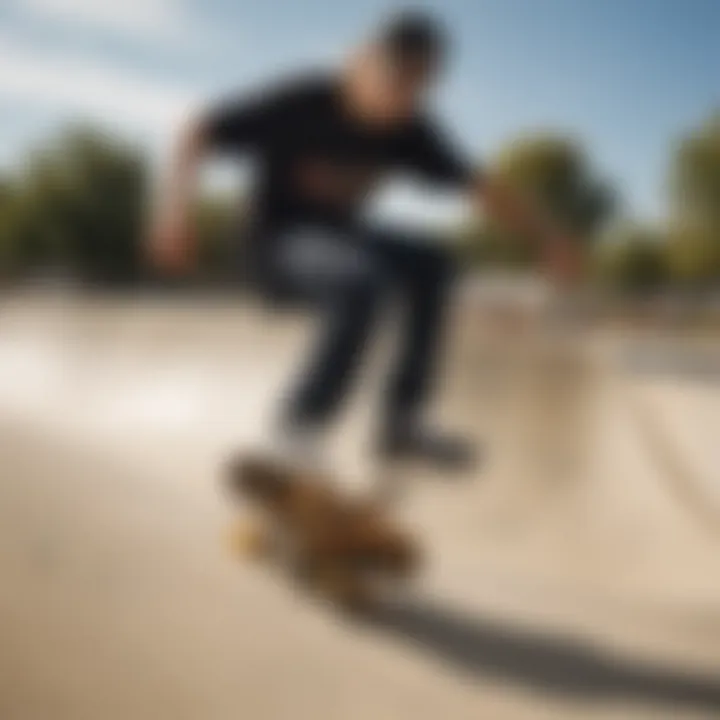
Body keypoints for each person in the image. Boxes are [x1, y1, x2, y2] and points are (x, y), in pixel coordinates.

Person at [148, 10, 581, 471]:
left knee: (434, 263)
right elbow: (196, 130)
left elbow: (481, 188)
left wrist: (548, 237)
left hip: (342, 243)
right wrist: (174, 217)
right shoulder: (304, 100)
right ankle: (297, 435)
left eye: (418, 89)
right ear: (362, 62)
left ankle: (401, 423)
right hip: (274, 247)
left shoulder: (411, 129)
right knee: (361, 281)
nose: (401, 102)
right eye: (394, 83)